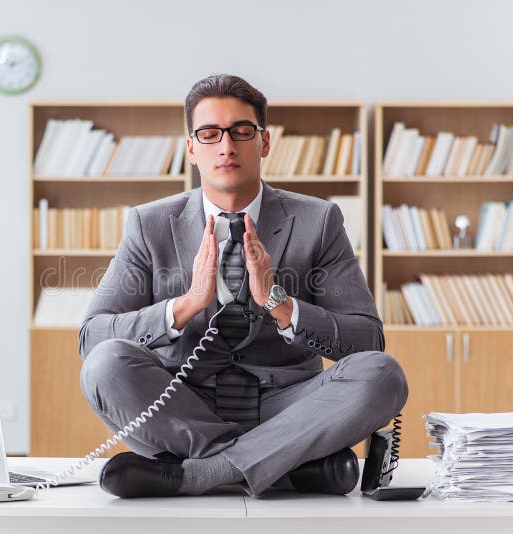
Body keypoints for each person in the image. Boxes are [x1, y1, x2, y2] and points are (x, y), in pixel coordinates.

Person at [78, 74, 408, 498]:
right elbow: (92, 336)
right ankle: (286, 467)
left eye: (241, 132)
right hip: (181, 409)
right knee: (106, 364)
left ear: (264, 143)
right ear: (192, 149)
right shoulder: (150, 224)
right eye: (210, 134)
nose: (227, 146)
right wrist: (185, 305)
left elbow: (368, 340)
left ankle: (198, 475)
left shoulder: (319, 221)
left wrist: (281, 304)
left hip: (287, 409)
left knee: (383, 375)